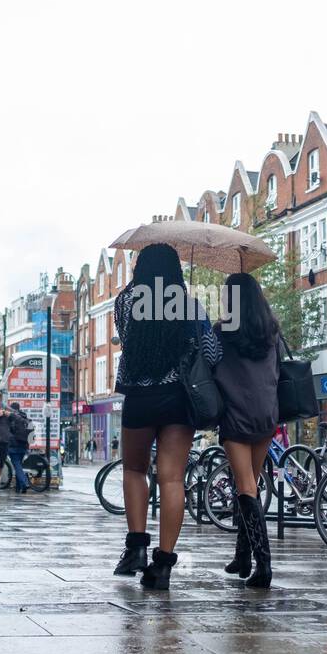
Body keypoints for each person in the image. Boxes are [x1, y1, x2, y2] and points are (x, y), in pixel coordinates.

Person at [112, 243, 222, 589]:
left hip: (140, 396)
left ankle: (137, 547)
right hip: (179, 400)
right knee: (171, 479)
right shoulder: (189, 305)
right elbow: (211, 352)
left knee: (134, 470)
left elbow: (125, 339)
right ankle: (163, 566)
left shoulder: (126, 302)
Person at [213, 272, 280, 588]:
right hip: (266, 414)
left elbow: (209, 365)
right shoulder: (270, 330)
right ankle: (243, 556)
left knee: (245, 487)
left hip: (237, 415)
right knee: (250, 485)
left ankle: (263, 566)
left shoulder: (222, 331)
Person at [7, 402, 32, 493]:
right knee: (19, 466)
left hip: (13, 445)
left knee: (17, 465)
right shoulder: (24, 416)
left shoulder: (11, 417)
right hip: (24, 444)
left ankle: (25, 482)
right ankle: (19, 488)